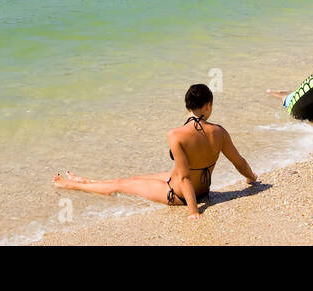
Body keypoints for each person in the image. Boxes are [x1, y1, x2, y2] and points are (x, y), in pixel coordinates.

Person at [53, 84, 258, 220]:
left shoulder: (176, 135)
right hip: (200, 189)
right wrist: (251, 177)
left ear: (187, 105)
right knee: (135, 178)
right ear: (208, 105)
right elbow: (238, 162)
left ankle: (72, 184)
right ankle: (88, 181)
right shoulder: (219, 132)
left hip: (178, 194)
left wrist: (193, 211)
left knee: (121, 185)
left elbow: (185, 177)